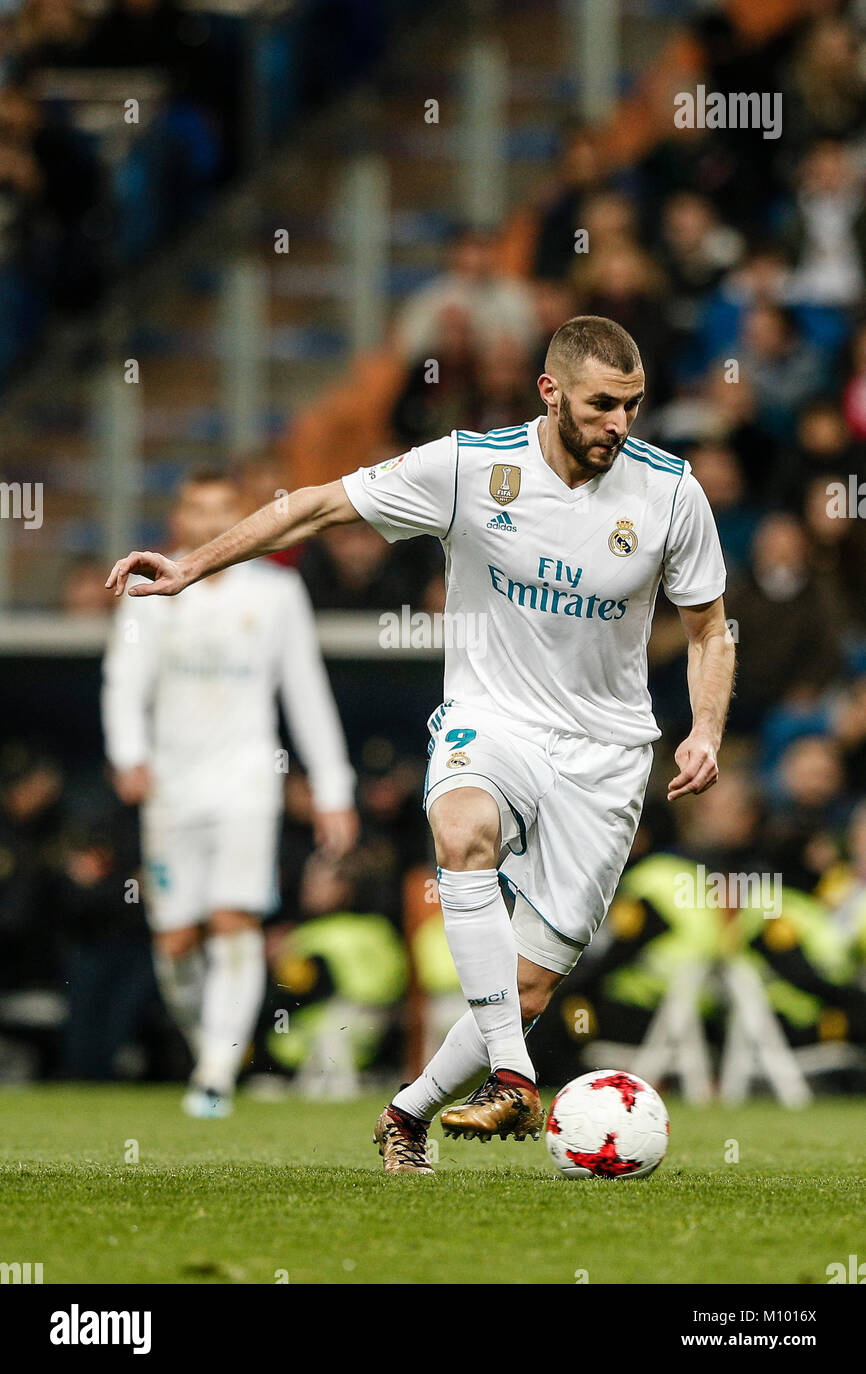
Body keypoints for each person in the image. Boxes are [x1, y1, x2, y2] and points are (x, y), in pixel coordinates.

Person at [106, 316, 734, 1171]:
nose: (618, 425)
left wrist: (706, 729)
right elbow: (318, 506)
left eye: (632, 406)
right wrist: (193, 566)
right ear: (550, 393)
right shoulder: (469, 468)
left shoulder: (670, 493)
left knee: (529, 987)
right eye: (600, 406)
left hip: (608, 753)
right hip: (494, 719)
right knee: (463, 830)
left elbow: (709, 630)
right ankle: (516, 1076)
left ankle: (406, 1113)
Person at [102, 467, 357, 1118]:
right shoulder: (155, 587)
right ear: (179, 521)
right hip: (172, 782)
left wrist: (332, 787)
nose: (211, 522)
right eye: (198, 510)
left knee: (234, 920)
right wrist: (129, 754)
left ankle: (215, 1075)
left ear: (243, 515)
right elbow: (123, 678)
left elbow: (306, 691)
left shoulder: (276, 592)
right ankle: (209, 1047)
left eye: (224, 510)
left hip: (248, 777)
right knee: (177, 941)